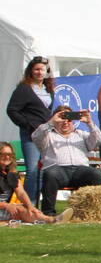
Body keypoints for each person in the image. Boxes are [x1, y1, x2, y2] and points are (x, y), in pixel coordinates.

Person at [33, 106, 101, 215]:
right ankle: (48, 214)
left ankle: (95, 212)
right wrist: (51, 122)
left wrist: (89, 123)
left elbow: (100, 140)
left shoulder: (80, 134)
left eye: (69, 119)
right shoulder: (48, 135)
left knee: (96, 173)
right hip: (58, 170)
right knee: (51, 173)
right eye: (62, 119)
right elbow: (35, 137)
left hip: (80, 171)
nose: (65, 122)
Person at [7, 56, 55, 204]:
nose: (40, 72)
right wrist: (28, 125)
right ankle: (29, 206)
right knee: (33, 171)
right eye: (36, 69)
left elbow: (46, 111)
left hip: (46, 135)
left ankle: (40, 206)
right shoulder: (24, 88)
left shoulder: (48, 89)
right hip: (31, 135)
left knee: (44, 171)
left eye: (42, 69)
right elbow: (12, 110)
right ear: (31, 71)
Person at [0, 141, 56, 224]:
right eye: (4, 154)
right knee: (20, 209)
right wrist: (7, 205)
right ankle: (51, 220)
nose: (7, 157)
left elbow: (21, 193)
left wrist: (30, 206)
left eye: (10, 154)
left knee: (26, 208)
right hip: (4, 207)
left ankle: (51, 220)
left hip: (3, 209)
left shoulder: (11, 174)